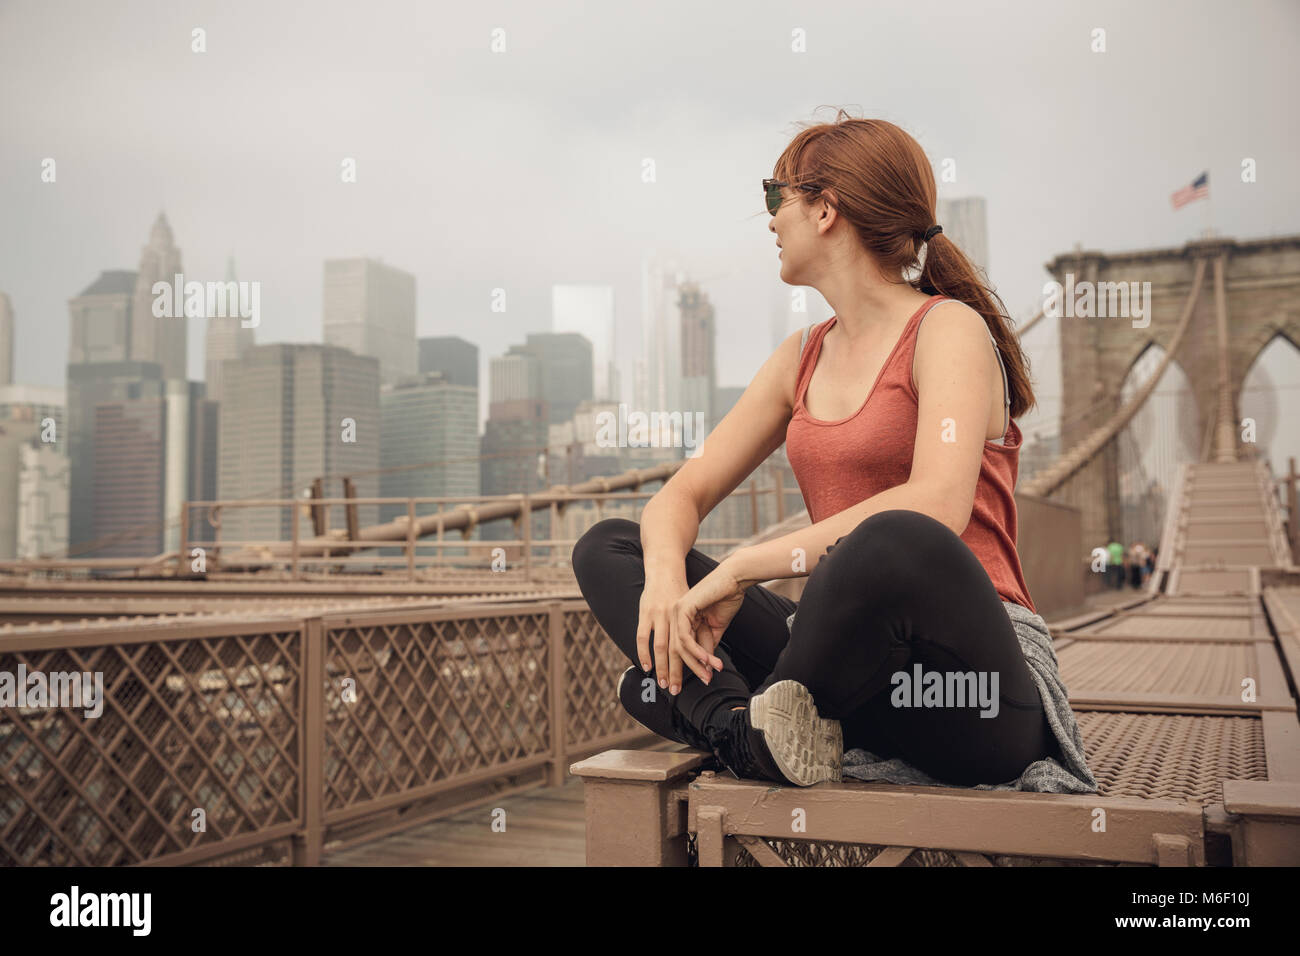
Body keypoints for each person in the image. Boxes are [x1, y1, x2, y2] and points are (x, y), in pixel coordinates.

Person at [573, 113, 1081, 790]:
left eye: (772, 196)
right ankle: (745, 728)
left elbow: (937, 504)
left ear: (824, 208)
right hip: (846, 674)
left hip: (970, 693)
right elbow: (679, 497)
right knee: (610, 545)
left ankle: (718, 715)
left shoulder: (948, 330)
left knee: (891, 535)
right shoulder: (800, 358)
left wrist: (741, 570)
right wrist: (667, 584)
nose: (769, 220)